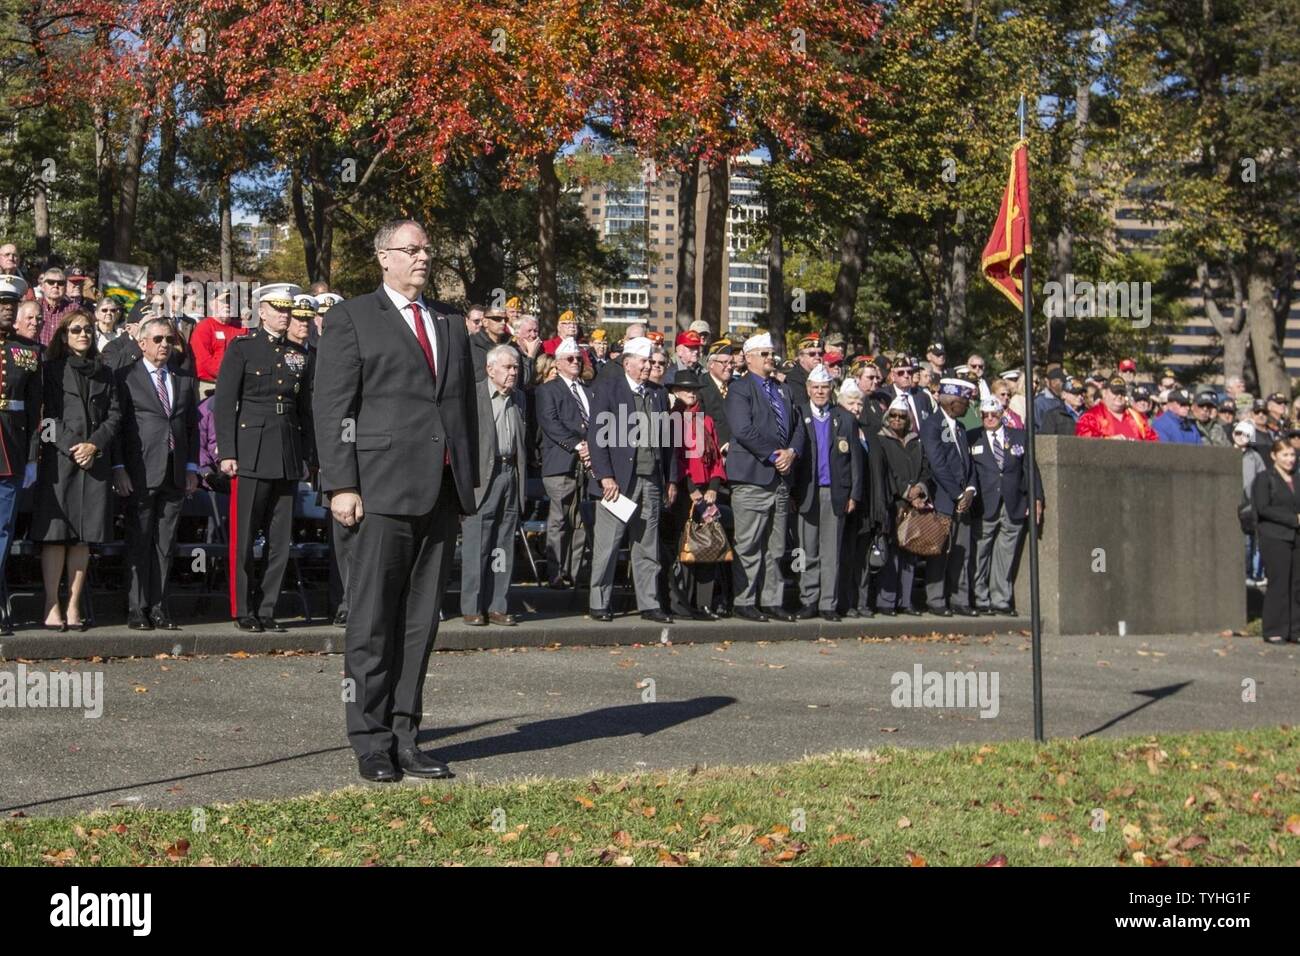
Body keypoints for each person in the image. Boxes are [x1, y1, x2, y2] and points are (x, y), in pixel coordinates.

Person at [313, 219, 479, 783]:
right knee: (372, 621)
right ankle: (371, 740)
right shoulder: (353, 317)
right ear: (383, 257)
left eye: (427, 249)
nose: (423, 258)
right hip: (377, 490)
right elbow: (333, 406)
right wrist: (340, 484)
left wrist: (467, 484)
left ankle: (407, 736)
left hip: (441, 492)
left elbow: (461, 410)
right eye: (411, 250)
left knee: (419, 623)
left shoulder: (450, 324)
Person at [216, 283, 314, 634]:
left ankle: (268, 607)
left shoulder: (300, 355)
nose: (286, 315)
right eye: (279, 309)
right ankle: (243, 608)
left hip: (286, 448)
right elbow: (224, 403)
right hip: (251, 449)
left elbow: (304, 411)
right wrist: (227, 451)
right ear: (263, 311)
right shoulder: (242, 349)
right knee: (244, 536)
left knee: (279, 537)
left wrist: (307, 456)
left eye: (289, 310)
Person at [30, 308, 122, 631]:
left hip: (94, 462)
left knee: (83, 538)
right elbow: (46, 421)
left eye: (88, 330)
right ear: (65, 335)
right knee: (56, 536)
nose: (84, 334)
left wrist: (94, 445)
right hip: (61, 462)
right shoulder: (51, 370)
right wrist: (74, 447)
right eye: (76, 330)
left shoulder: (105, 372)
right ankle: (51, 604)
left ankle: (73, 605)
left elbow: (114, 417)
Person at [113, 317, 200, 631]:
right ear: (142, 343)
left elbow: (191, 427)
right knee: (139, 542)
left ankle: (159, 606)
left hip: (175, 473)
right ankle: (137, 608)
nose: (165, 345)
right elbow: (118, 427)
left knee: (165, 544)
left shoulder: (184, 379)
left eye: (170, 340)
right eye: (159, 339)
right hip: (140, 472)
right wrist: (118, 467)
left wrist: (192, 468)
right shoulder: (125, 377)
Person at [584, 335, 675, 623]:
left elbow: (668, 442)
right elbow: (597, 438)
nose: (650, 366)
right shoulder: (609, 389)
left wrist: (670, 479)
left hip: (650, 479)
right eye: (645, 361)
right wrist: (605, 476)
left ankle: (649, 603)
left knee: (647, 545)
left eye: (652, 361)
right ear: (628, 363)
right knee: (608, 544)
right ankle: (599, 602)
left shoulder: (658, 394)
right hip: (619, 481)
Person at [724, 331, 805, 623]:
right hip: (752, 477)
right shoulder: (740, 389)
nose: (772, 358)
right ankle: (744, 600)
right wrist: (774, 455)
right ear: (748, 358)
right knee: (749, 544)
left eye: (772, 353)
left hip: (780, 479)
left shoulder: (783, 389)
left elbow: (798, 424)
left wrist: (793, 452)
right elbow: (743, 430)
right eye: (765, 354)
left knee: (776, 546)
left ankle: (771, 601)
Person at [792, 365, 864, 621]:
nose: (820, 392)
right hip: (806, 493)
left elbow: (856, 460)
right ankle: (807, 600)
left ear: (831, 389)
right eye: (815, 387)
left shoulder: (844, 418)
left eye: (824, 387)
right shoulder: (798, 414)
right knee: (805, 551)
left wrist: (854, 494)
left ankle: (828, 604)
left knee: (831, 553)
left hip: (835, 493)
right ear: (808, 389)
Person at [461, 345, 526, 626]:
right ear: (490, 369)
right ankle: (473, 607)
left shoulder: (520, 398)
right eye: (508, 367)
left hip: (511, 473)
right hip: (482, 477)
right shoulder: (473, 397)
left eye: (516, 368)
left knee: (503, 543)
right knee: (478, 543)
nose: (513, 372)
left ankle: (497, 605)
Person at [967, 398, 1043, 615]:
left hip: (1013, 502)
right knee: (980, 552)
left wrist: (1036, 497)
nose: (989, 418)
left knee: (1005, 554)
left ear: (1002, 414)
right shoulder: (972, 436)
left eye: (994, 414)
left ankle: (1001, 599)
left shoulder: (1018, 436)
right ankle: (980, 598)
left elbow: (1030, 469)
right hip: (984, 503)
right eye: (985, 415)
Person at [662, 368, 726, 619]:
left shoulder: (706, 421)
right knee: (686, 548)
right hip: (685, 492)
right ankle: (683, 603)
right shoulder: (673, 419)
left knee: (708, 546)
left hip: (707, 492)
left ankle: (705, 603)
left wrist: (713, 488)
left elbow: (716, 460)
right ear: (675, 392)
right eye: (685, 389)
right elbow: (677, 459)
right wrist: (692, 491)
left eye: (694, 389)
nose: (691, 393)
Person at [0, 275, 41, 635]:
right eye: (1, 304)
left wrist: (30, 457)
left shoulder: (25, 351)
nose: (6, 310)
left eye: (10, 305)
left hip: (10, 448)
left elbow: (33, 410)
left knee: (2, 530)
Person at [536, 336, 592, 590]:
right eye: (570, 359)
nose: (575, 362)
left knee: (580, 520)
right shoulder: (548, 390)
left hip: (586, 464)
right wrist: (578, 444)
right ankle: (556, 571)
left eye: (579, 359)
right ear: (557, 363)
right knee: (559, 519)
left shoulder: (587, 390)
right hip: (561, 463)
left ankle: (575, 571)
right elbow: (551, 424)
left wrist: (593, 448)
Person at [920, 378, 979, 616]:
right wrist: (957, 494)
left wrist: (971, 489)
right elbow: (937, 464)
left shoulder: (961, 428)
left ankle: (959, 599)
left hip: (964, 500)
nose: (967, 406)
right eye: (965, 401)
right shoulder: (932, 424)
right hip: (943, 499)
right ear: (953, 401)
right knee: (940, 551)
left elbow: (969, 462)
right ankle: (936, 600)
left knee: (961, 552)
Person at [869, 396, 930, 615]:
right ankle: (886, 601)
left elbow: (925, 467)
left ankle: (906, 600)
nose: (897, 420)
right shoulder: (881, 440)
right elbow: (885, 473)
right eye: (893, 415)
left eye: (901, 416)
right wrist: (905, 492)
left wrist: (920, 489)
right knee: (891, 554)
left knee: (910, 554)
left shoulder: (916, 441)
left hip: (915, 505)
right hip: (892, 502)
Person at [1251, 439, 1300, 644]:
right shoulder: (1264, 478)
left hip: (1296, 537)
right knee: (1279, 583)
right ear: (1274, 456)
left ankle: (1295, 629)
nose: (1290, 459)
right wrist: (1293, 519)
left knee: (1297, 584)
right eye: (1285, 455)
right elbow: (1263, 508)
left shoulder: (1297, 479)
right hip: (1274, 536)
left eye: (1292, 455)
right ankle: (1274, 629)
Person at [191, 289, 248, 391]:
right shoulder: (203, 327)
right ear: (212, 304)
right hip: (210, 385)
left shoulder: (242, 328)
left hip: (238, 385)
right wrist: (231, 375)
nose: (227, 305)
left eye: (230, 301)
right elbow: (205, 361)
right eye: (223, 301)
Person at [1235, 421, 1267, 587]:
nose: (1241, 437)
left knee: (1250, 543)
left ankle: (1251, 574)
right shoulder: (1227, 452)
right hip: (1232, 504)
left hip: (1250, 507)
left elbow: (1262, 479)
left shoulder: (1255, 457)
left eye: (1245, 434)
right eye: (1238, 433)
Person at [1075, 377, 1158, 440]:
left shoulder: (1137, 417)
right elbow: (1085, 443)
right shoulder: (1090, 417)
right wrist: (1110, 441)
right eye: (1115, 392)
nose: (1119, 396)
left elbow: (1153, 440)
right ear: (1104, 393)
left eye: (1122, 392)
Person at [884, 355, 935, 433]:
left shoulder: (923, 397)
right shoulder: (884, 397)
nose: (906, 375)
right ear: (892, 376)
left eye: (909, 372)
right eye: (901, 373)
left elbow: (932, 425)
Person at [37, 267, 79, 347]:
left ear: (65, 287)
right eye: (51, 282)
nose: (55, 285)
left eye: (60, 283)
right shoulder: (34, 308)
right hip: (38, 356)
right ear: (42, 286)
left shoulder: (75, 309)